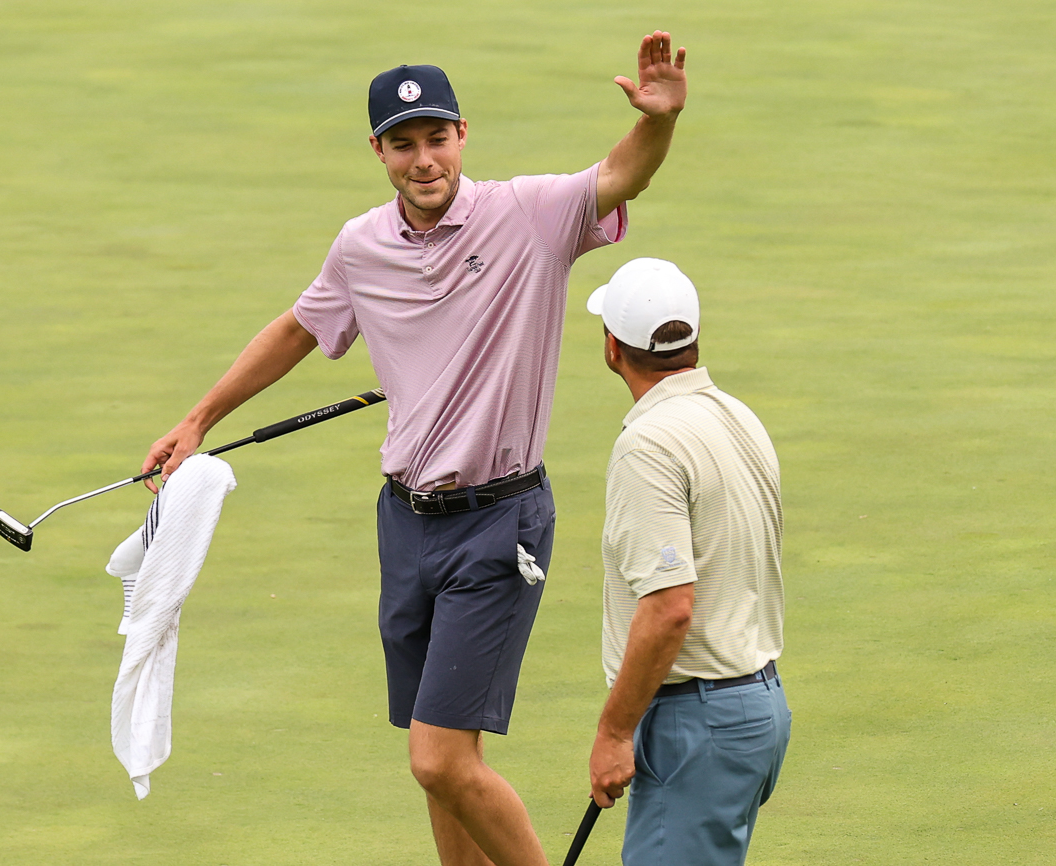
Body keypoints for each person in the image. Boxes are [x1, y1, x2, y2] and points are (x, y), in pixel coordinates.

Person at [142, 34, 688, 866]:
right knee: (442, 767)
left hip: (498, 521)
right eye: (404, 143)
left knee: (436, 755)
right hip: (405, 523)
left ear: (463, 134)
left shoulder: (529, 216)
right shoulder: (360, 246)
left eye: (437, 138)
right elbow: (298, 329)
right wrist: (198, 420)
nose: (423, 159)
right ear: (378, 151)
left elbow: (621, 175)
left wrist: (660, 122)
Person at [584, 258, 789, 865]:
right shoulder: (738, 417)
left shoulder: (648, 445)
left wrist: (614, 733)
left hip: (698, 724)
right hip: (755, 709)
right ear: (692, 340)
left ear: (613, 348)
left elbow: (670, 607)